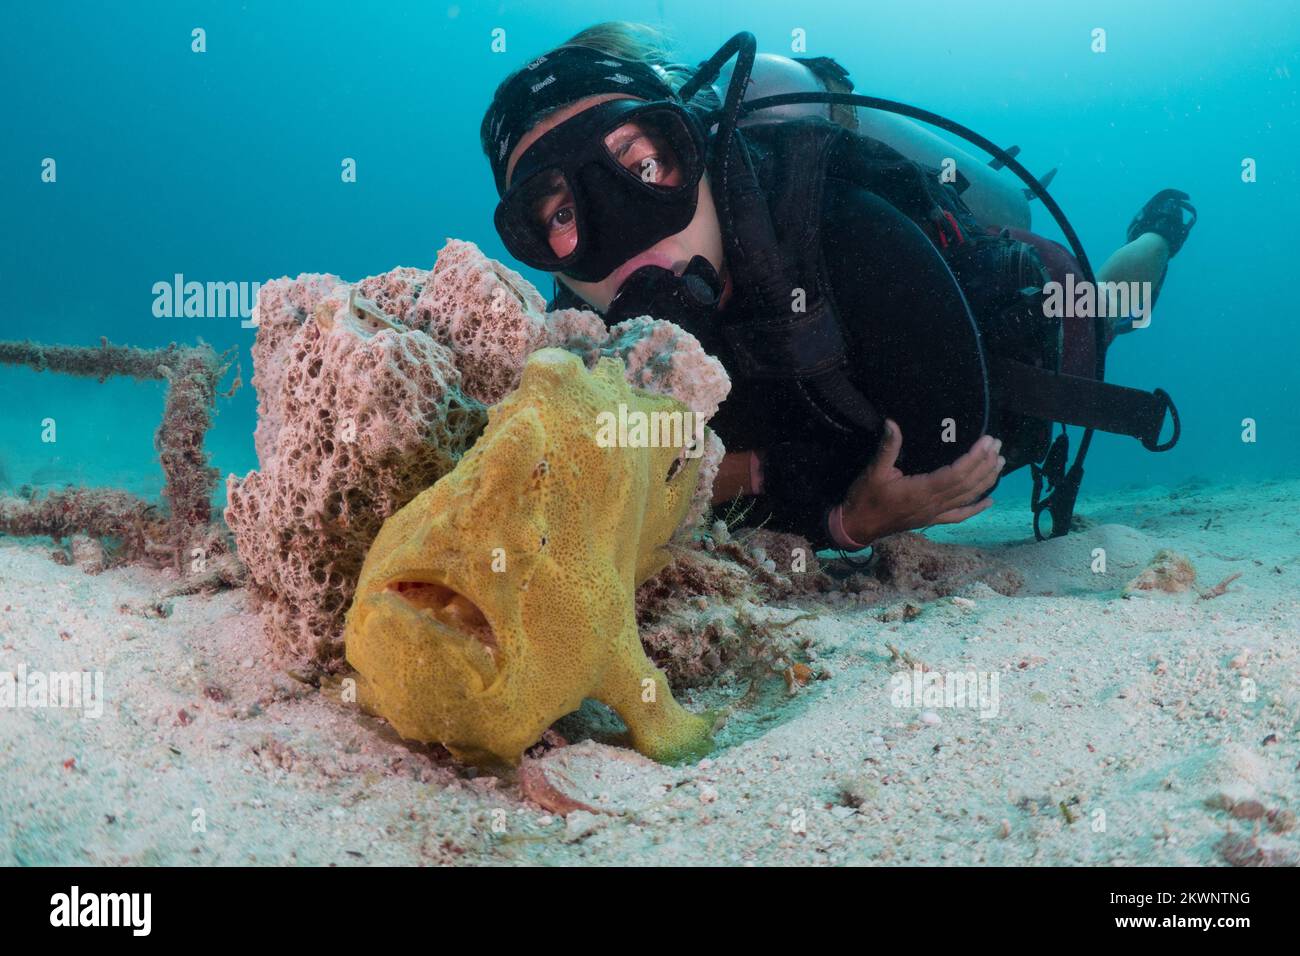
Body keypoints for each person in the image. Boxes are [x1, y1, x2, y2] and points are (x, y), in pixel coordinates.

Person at [480, 22, 1195, 552]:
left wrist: (778, 490)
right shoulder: (578, 340)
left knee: (1104, 309)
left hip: (1005, 338)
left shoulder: (838, 227)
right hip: (838, 422)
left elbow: (946, 451)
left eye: (642, 165)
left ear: (694, 146)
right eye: (564, 213)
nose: (623, 229)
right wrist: (825, 508)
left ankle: (1158, 231)